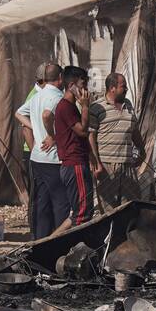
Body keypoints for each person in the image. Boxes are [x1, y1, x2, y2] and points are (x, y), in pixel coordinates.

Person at [16, 63, 68, 239]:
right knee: (60, 203)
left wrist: (36, 130)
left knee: (42, 203)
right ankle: (59, 241)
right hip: (54, 159)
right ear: (60, 78)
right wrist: (51, 135)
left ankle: (40, 240)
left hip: (37, 157)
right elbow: (47, 115)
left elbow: (19, 113)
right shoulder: (59, 97)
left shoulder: (38, 96)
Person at [89, 72, 148, 210]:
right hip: (106, 164)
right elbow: (90, 136)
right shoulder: (97, 107)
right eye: (123, 86)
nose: (126, 89)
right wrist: (96, 163)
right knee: (110, 208)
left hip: (127, 164)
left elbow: (134, 130)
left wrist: (141, 149)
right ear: (112, 88)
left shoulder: (128, 105)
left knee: (131, 206)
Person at [53, 65, 96, 233]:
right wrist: (85, 106)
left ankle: (49, 242)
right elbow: (83, 131)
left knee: (78, 213)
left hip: (76, 162)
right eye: (82, 85)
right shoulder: (65, 107)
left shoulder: (69, 107)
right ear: (71, 85)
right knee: (83, 214)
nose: (85, 90)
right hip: (74, 163)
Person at [13, 63, 50, 230]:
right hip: (33, 151)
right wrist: (34, 146)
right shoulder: (35, 95)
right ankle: (35, 228)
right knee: (36, 194)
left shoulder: (42, 93)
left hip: (40, 151)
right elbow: (25, 126)